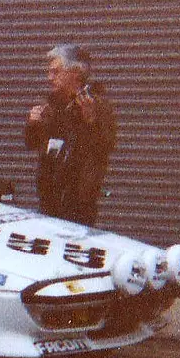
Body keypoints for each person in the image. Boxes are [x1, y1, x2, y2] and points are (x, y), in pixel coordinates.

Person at [24, 44, 117, 225]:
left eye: (56, 72)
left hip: (79, 205)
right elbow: (31, 144)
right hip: (49, 199)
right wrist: (33, 124)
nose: (49, 77)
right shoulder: (51, 105)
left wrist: (92, 121)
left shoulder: (96, 105)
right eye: (49, 72)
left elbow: (106, 146)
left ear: (75, 73)